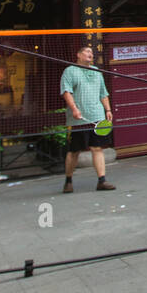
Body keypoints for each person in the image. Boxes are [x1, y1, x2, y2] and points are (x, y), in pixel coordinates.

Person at [59, 45, 116, 192]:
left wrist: (108, 110)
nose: (91, 54)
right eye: (87, 51)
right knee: (74, 150)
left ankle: (102, 180)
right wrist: (74, 109)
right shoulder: (70, 71)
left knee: (97, 148)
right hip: (78, 119)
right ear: (78, 55)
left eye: (92, 52)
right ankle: (68, 181)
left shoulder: (97, 72)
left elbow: (103, 93)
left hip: (97, 116)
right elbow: (66, 91)